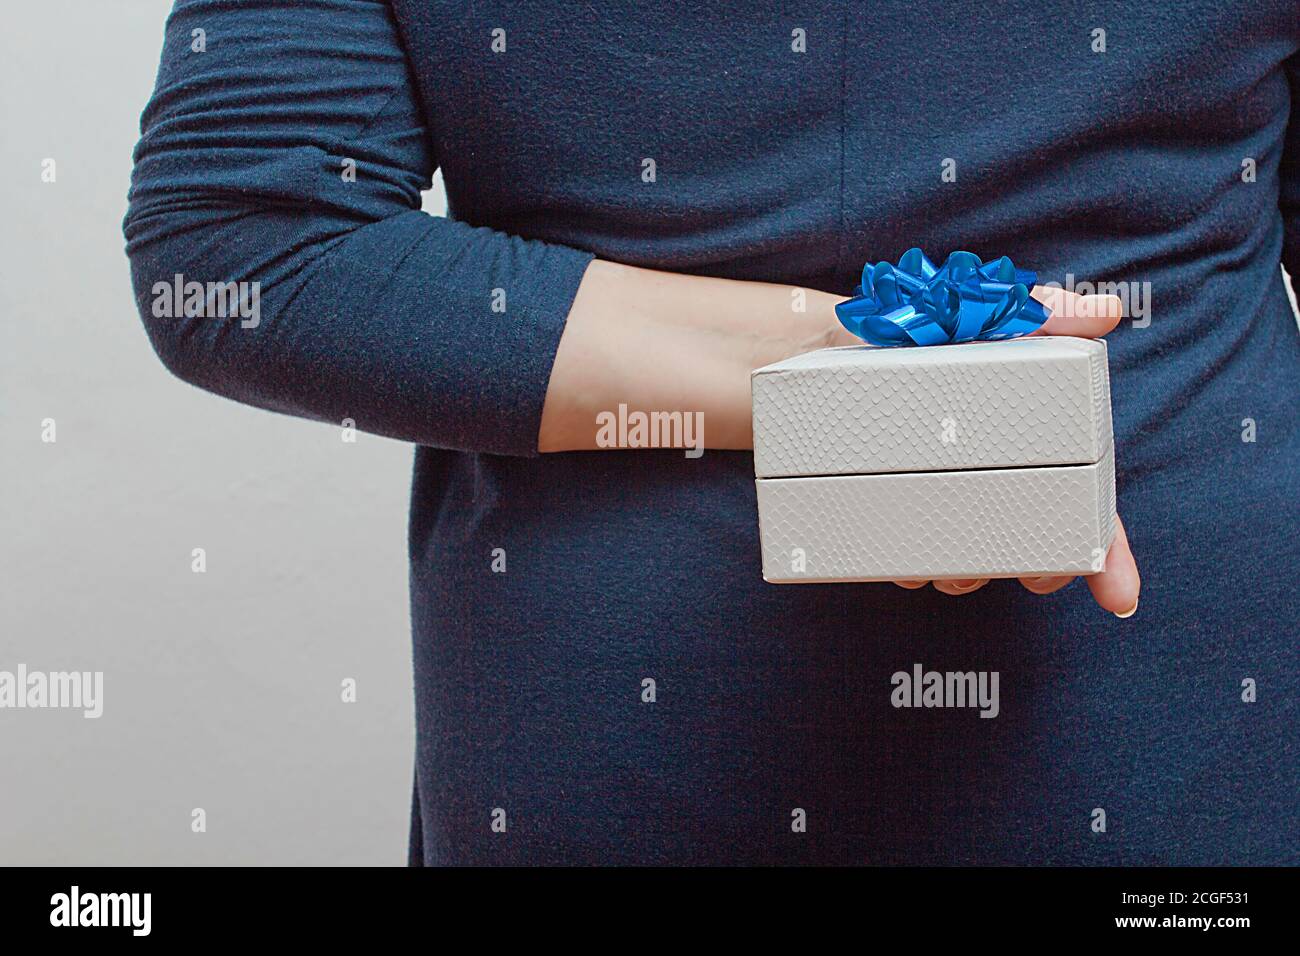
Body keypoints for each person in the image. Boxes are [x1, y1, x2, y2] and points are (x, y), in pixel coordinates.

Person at [125, 0, 1300, 864]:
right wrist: (868, 372)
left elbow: (253, 242)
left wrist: (849, 364)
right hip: (1143, 705)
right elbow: (250, 241)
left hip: (1165, 738)